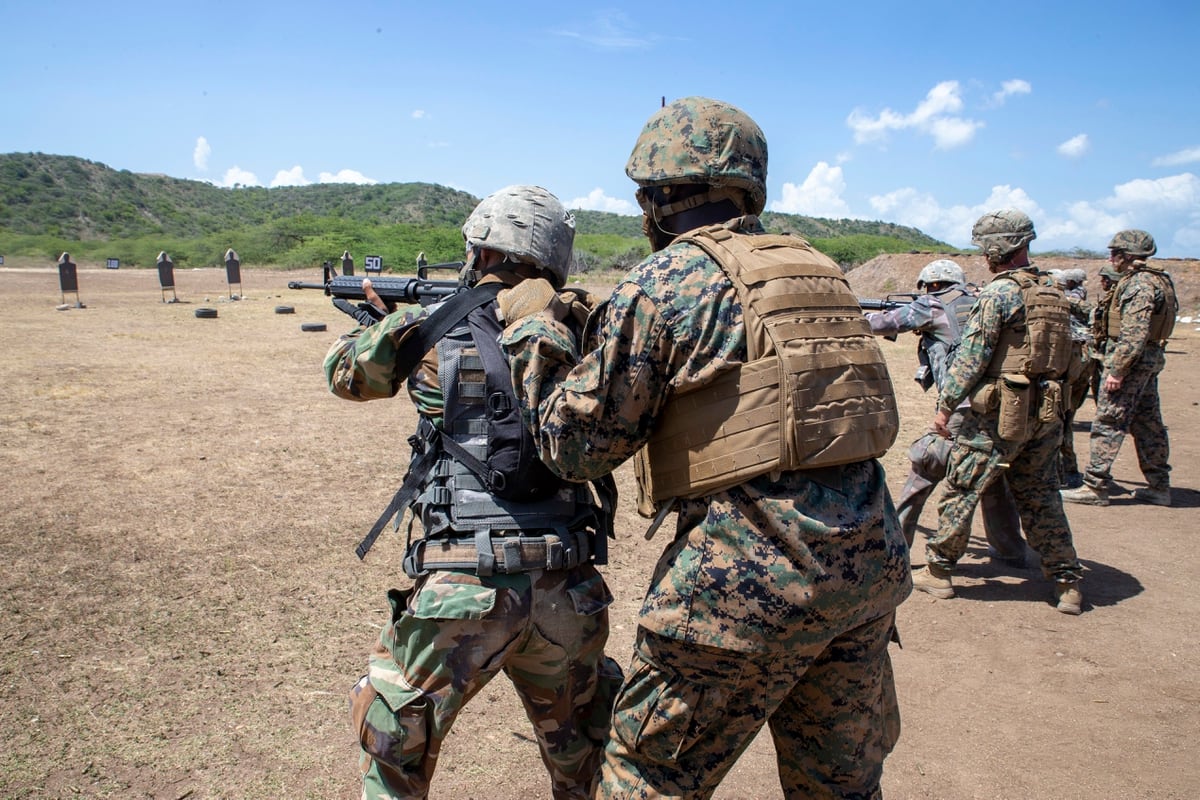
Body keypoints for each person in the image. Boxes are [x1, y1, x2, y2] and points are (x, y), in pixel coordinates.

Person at [500, 96, 911, 798]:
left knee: (648, 781)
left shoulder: (664, 283)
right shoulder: (819, 271)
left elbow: (575, 448)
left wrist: (536, 333)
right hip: (866, 574)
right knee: (842, 789)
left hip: (741, 592)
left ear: (657, 198)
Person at [325, 185, 623, 800]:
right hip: (570, 585)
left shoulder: (431, 325)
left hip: (463, 588)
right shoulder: (589, 330)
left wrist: (385, 326)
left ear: (484, 250)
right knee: (585, 765)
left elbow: (345, 376)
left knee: (393, 754)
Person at [912, 208, 1084, 615]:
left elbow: (972, 358)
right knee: (1042, 496)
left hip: (999, 414)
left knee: (961, 487)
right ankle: (1067, 582)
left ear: (998, 246)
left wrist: (946, 404)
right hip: (1046, 413)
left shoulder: (999, 293)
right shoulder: (1055, 293)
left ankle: (937, 572)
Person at [865, 258, 1027, 566]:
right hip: (997, 406)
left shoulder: (934, 305)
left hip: (962, 408)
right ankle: (1010, 548)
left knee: (925, 467)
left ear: (933, 284)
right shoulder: (978, 302)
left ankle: (894, 551)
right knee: (991, 476)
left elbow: (884, 323)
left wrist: (850, 314)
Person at [1061, 230, 1178, 507]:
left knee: (1108, 422)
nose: (1111, 258)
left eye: (1114, 253)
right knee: (1148, 424)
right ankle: (1159, 485)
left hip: (1131, 364)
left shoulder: (1138, 284)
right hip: (1146, 363)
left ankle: (1095, 485)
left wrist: (1118, 370)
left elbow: (1134, 334)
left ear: (1126, 255)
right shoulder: (1158, 279)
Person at [1048, 268, 1096, 488]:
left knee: (1057, 420)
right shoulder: (1077, 300)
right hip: (1081, 363)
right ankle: (1066, 472)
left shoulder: (1057, 303)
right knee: (1064, 419)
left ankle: (1064, 473)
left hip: (1068, 364)